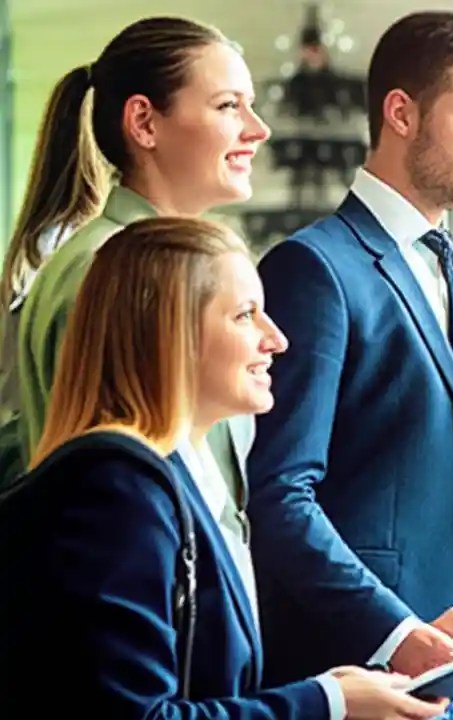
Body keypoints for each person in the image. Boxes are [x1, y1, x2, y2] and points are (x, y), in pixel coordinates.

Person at [0, 217, 446, 719]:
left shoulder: (176, 479)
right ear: (169, 333)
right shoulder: (116, 491)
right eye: (244, 316)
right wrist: (328, 703)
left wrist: (337, 690)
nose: (276, 339)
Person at [248, 12, 453, 718]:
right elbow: (282, 495)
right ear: (401, 113)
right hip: (361, 678)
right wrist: (398, 633)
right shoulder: (314, 269)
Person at [0, 16, 269, 547]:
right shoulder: (110, 274)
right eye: (227, 106)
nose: (257, 129)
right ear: (144, 122)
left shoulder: (141, 263)